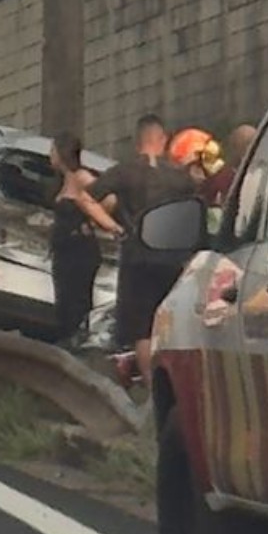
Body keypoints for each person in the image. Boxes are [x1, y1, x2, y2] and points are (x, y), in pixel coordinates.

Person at [77, 114, 198, 388]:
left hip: (138, 257)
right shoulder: (178, 177)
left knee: (142, 329)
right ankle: (177, 384)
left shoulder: (124, 172)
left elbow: (85, 197)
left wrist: (112, 226)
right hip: (173, 258)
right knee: (172, 320)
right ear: (162, 139)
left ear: (137, 142)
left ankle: (153, 388)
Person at [49, 131, 120, 347]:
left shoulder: (81, 177)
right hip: (63, 250)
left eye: (53, 150)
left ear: (62, 153)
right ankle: (67, 338)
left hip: (79, 250)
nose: (50, 155)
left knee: (76, 298)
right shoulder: (62, 180)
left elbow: (110, 200)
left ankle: (77, 340)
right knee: (64, 298)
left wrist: (93, 218)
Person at [202, 123, 257, 210]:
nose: (252, 149)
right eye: (247, 144)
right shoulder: (221, 180)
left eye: (255, 143)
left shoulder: (266, 173)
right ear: (234, 148)